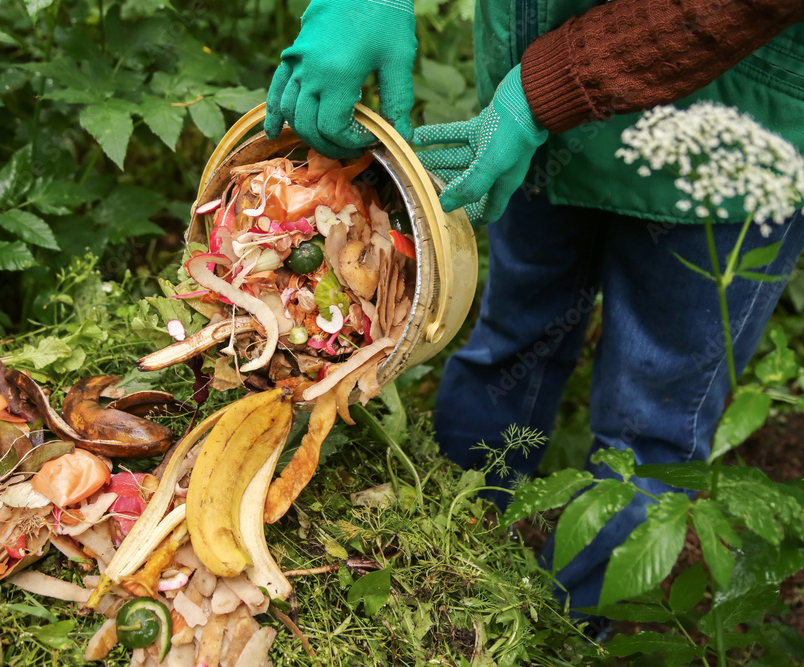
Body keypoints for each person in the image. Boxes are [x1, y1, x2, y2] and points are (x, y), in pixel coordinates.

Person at [265, 0, 804, 612]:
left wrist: (551, 86)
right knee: (512, 341)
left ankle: (564, 622)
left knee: (652, 420)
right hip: (534, 102)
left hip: (734, 131)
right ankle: (449, 551)